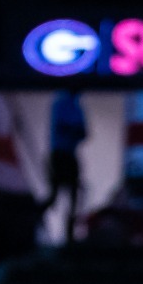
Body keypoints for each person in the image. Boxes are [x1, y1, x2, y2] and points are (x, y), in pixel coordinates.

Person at [48, 89, 87, 240]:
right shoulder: (61, 104)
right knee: (56, 194)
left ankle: (70, 235)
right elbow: (66, 130)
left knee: (73, 195)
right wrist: (73, 131)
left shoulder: (77, 107)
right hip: (60, 155)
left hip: (69, 155)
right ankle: (36, 222)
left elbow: (83, 133)